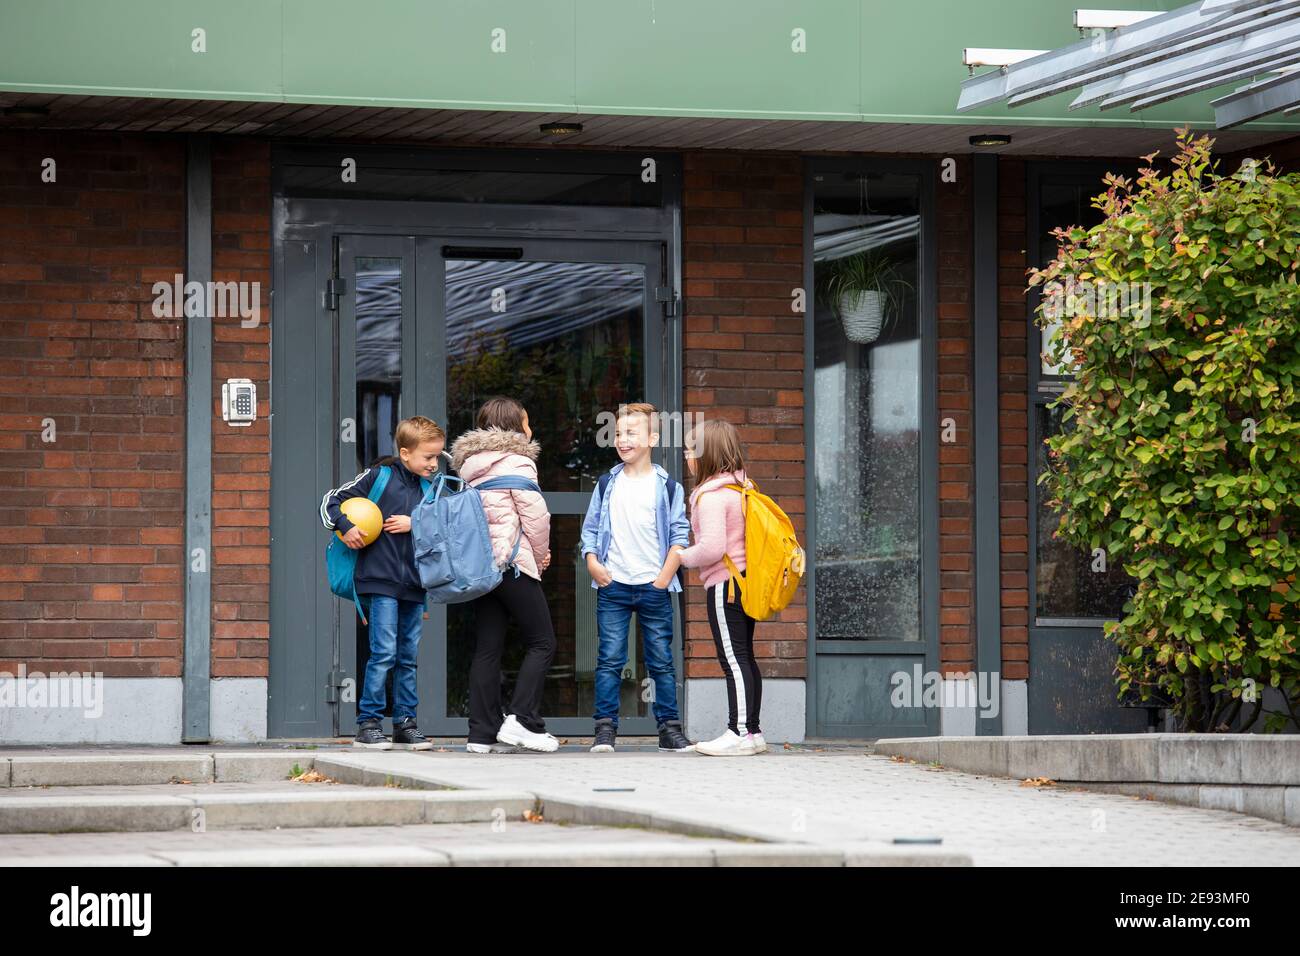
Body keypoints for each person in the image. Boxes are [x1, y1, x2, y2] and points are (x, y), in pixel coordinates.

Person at [320, 416, 445, 751]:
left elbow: (446, 532)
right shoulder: (378, 477)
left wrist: (416, 523)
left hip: (414, 586)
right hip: (379, 581)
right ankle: (369, 723)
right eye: (428, 457)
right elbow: (331, 501)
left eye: (437, 456)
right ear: (405, 453)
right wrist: (345, 526)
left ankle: (405, 724)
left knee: (408, 657)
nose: (434, 464)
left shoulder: (431, 490)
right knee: (384, 652)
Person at [580, 402, 694, 753]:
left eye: (630, 433)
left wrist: (663, 579)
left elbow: (679, 536)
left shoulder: (668, 487)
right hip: (613, 585)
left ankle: (669, 729)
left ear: (652, 439)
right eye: (618, 433)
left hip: (653, 585)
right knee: (610, 660)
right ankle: (605, 729)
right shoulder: (607, 484)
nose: (622, 439)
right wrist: (592, 562)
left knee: (660, 661)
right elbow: (590, 529)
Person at [450, 397, 558, 754]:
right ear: (515, 426)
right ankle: (523, 719)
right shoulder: (519, 462)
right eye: (526, 422)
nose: (530, 429)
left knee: (487, 648)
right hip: (513, 563)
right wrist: (539, 558)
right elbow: (536, 518)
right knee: (543, 642)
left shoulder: (469, 466)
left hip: (482, 567)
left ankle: (481, 734)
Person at [654, 419, 765, 756]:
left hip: (724, 585)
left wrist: (680, 556)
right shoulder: (742, 488)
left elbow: (712, 548)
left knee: (733, 659)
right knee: (745, 657)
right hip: (745, 582)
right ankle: (753, 731)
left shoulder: (711, 497)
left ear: (708, 455)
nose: (687, 457)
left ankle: (739, 732)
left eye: (691, 451)